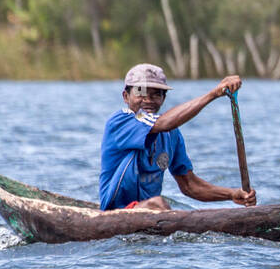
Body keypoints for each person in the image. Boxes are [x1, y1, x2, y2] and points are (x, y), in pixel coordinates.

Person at [98, 63, 258, 211]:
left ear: (163, 99)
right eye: (140, 92)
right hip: (117, 211)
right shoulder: (121, 120)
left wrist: (232, 194)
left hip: (146, 212)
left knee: (157, 205)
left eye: (155, 95)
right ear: (126, 96)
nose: (147, 100)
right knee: (157, 204)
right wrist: (213, 94)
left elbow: (189, 185)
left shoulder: (170, 134)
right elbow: (164, 122)